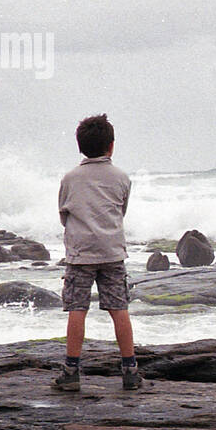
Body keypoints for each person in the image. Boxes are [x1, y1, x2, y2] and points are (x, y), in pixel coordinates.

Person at [54, 113, 143, 391]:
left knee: (77, 309)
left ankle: (71, 372)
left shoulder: (70, 178)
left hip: (81, 255)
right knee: (119, 309)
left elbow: (63, 213)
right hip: (112, 252)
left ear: (80, 145)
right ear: (111, 146)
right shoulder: (121, 178)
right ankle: (129, 370)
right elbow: (121, 210)